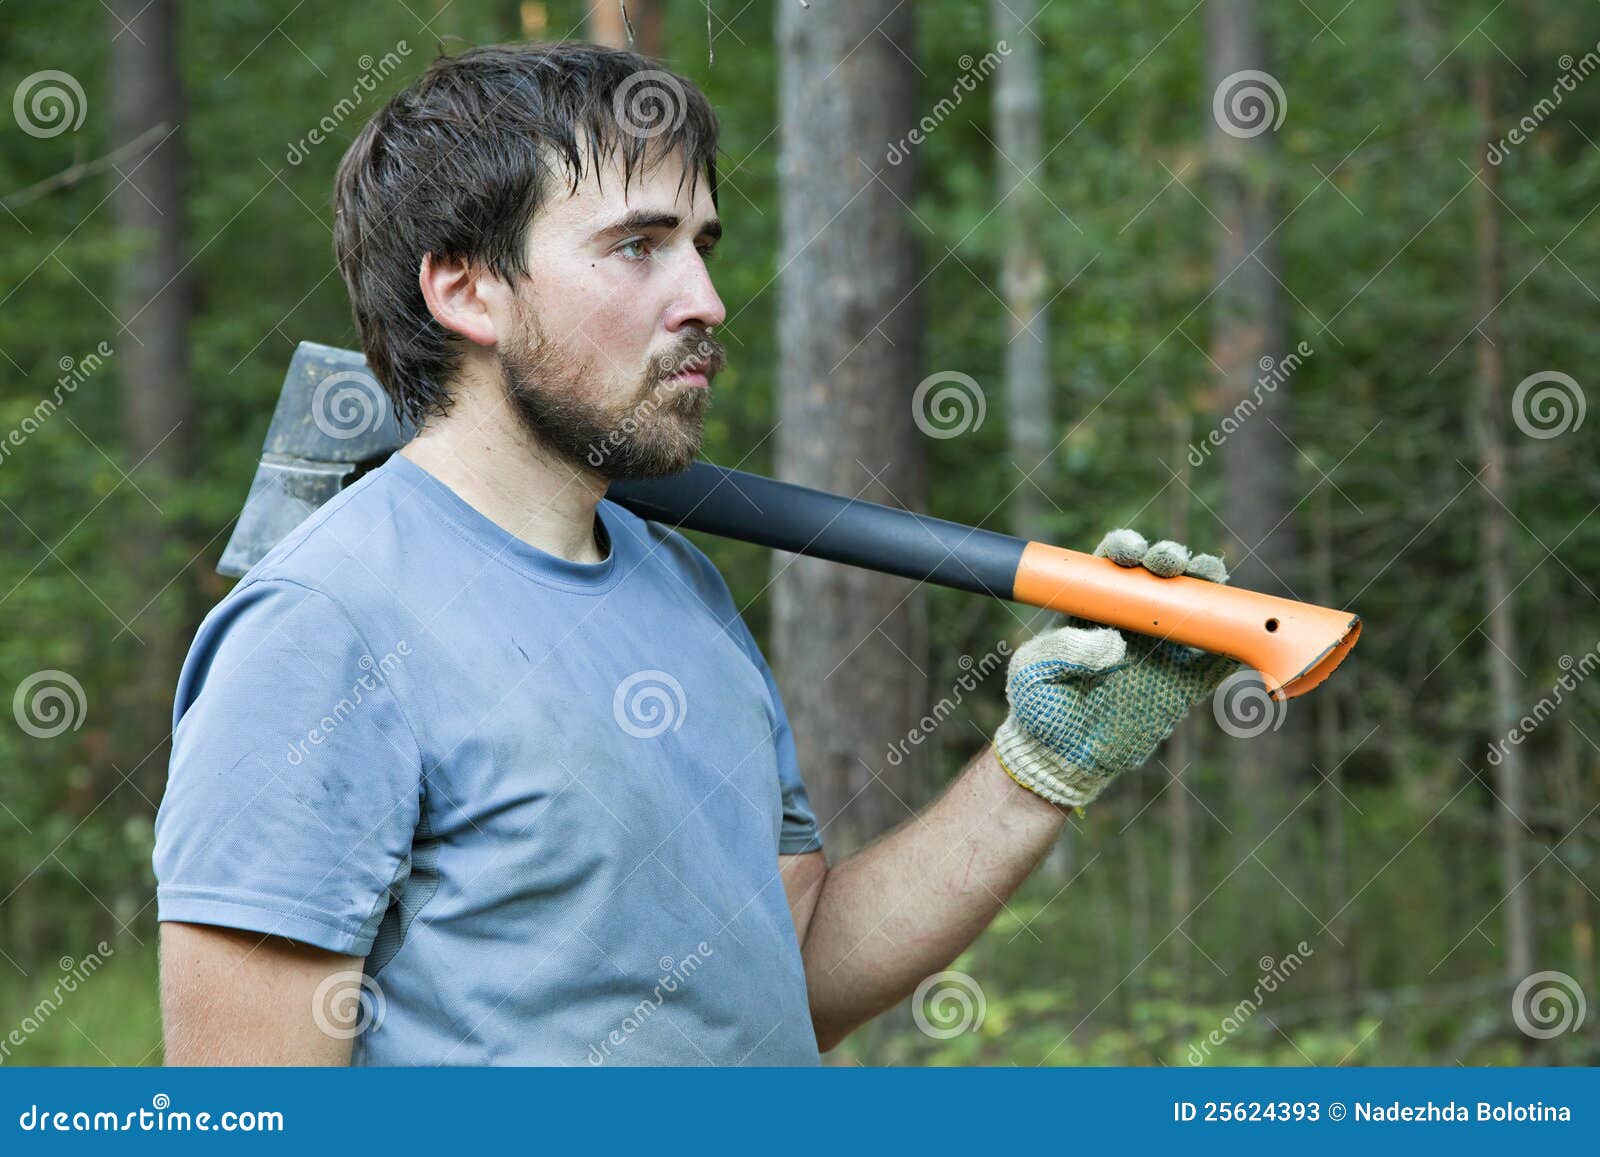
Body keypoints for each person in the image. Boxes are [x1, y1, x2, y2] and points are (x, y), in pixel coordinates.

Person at [152, 41, 1237, 1066]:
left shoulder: (679, 585)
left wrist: (1039, 769)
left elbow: (784, 966)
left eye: (701, 247)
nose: (707, 303)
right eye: (637, 246)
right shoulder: (324, 626)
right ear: (465, 289)